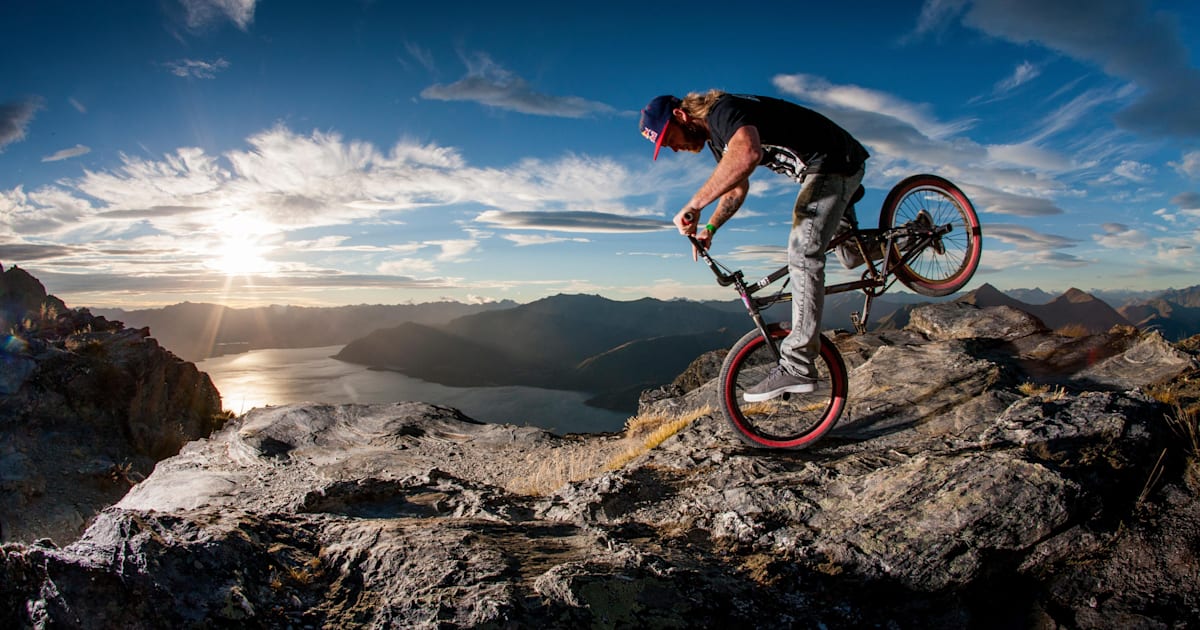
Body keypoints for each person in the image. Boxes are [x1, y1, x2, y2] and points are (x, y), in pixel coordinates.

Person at [638, 90, 869, 402]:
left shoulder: (723, 110)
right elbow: (735, 189)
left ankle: (798, 363)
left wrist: (694, 205)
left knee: (803, 252)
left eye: (669, 139)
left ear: (681, 116)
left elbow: (747, 153)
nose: (673, 148)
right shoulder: (718, 141)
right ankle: (915, 235)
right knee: (852, 255)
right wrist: (710, 227)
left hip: (830, 162)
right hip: (833, 163)